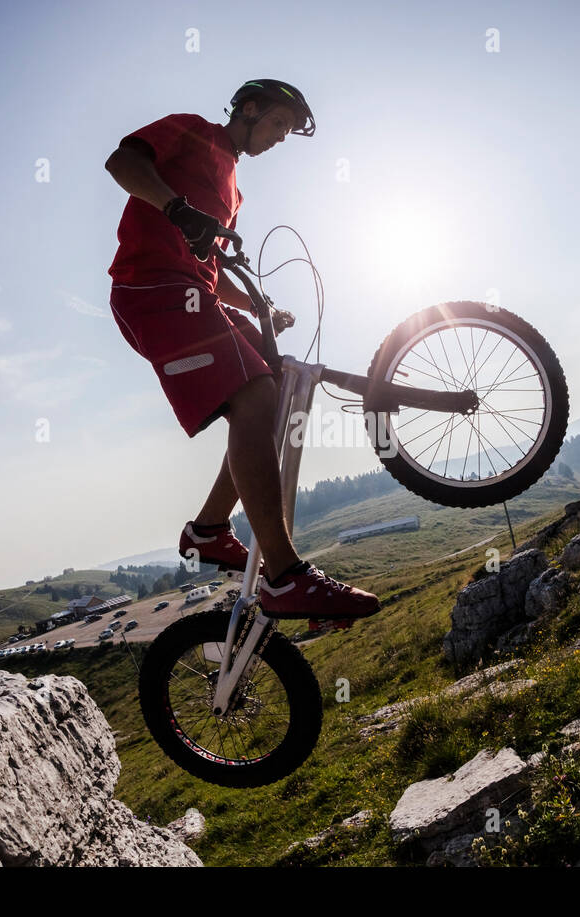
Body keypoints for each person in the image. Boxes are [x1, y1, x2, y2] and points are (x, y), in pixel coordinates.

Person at [105, 79, 380, 620]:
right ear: (249, 110)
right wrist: (176, 207)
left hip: (194, 294)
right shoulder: (191, 130)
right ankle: (283, 576)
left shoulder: (235, 188)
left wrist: (260, 306)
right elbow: (121, 163)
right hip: (152, 290)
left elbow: (206, 266)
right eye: (278, 123)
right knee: (254, 399)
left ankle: (208, 530)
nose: (280, 138)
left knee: (275, 396)